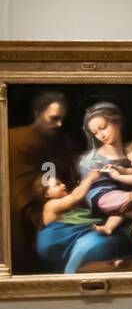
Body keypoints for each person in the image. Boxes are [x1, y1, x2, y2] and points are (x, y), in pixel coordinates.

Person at [8, 90, 79, 273]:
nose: (59, 124)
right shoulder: (13, 139)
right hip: (22, 211)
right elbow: (17, 182)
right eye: (53, 118)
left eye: (62, 118)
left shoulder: (65, 142)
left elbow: (72, 174)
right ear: (37, 114)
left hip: (57, 214)